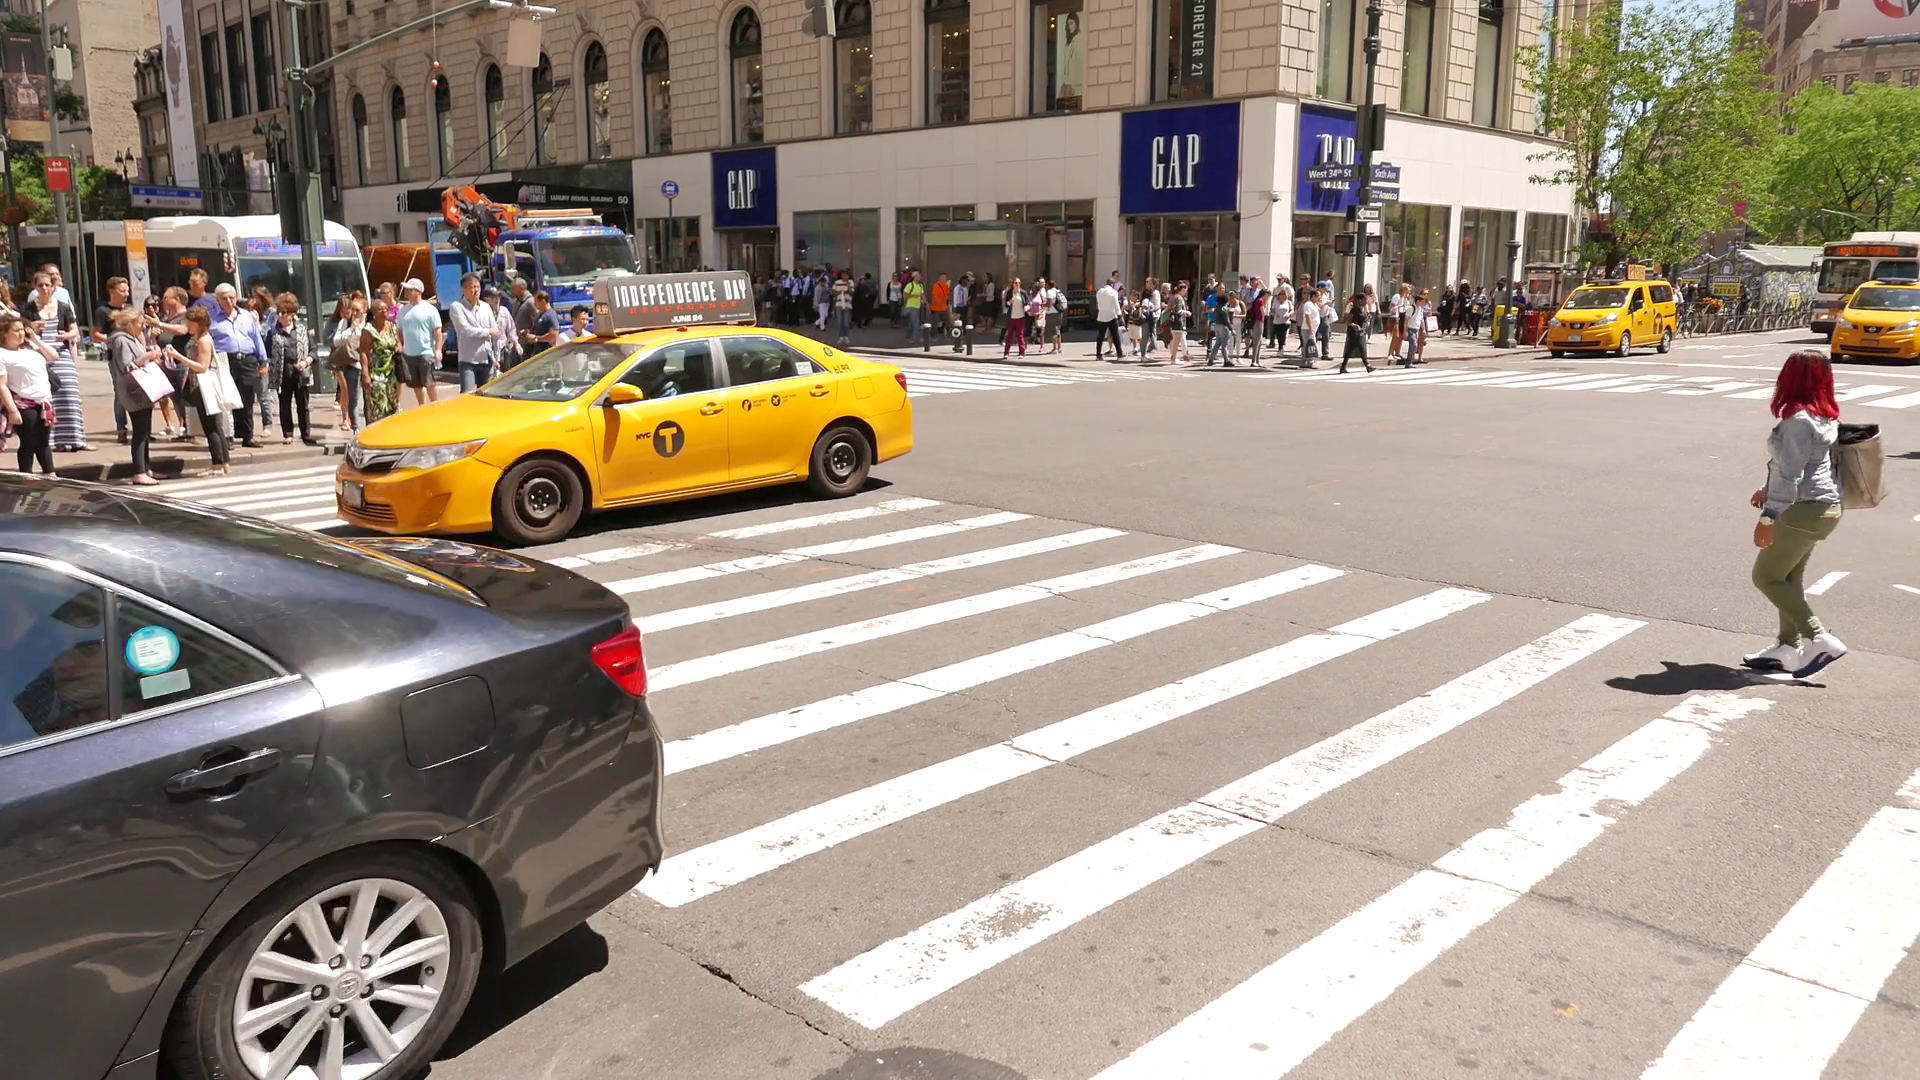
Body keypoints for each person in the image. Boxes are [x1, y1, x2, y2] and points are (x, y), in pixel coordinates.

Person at [1744, 349, 1847, 679]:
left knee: (1766, 577)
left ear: (1791, 378)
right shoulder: (1826, 415)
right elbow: (1804, 465)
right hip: (1824, 507)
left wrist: (1768, 517)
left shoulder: (1798, 421)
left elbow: (1791, 474)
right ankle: (1787, 647)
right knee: (1788, 578)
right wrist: (1766, 486)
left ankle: (1819, 638)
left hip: (1803, 508)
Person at [24, 271, 87, 452]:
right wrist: (32, 327)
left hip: (62, 354)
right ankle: (49, 441)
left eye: (47, 285)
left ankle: (74, 438)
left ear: (53, 286)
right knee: (47, 397)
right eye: (40, 285)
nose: (44, 288)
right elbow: (20, 330)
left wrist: (67, 335)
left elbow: (74, 329)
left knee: (69, 395)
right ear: (35, 287)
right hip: (38, 356)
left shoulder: (63, 307)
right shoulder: (28, 309)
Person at [105, 307, 169, 483]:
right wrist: (149, 355)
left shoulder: (131, 338)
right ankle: (139, 471)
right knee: (140, 432)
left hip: (142, 390)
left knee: (145, 431)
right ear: (130, 323)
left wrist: (149, 350)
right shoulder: (120, 340)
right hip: (133, 390)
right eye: (140, 324)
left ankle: (146, 468)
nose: (142, 327)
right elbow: (127, 366)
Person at [0, 311, 61, 473]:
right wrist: (12, 410)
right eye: (16, 331)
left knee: (44, 442)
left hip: (44, 401)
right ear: (4, 334)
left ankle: (50, 474)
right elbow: (2, 385)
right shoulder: (2, 355)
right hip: (24, 403)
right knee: (29, 442)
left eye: (22, 329)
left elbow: (53, 356)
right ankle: (26, 476)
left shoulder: (30, 348)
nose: (21, 333)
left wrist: (34, 338)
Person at [173, 305, 231, 476]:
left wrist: (179, 357)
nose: (187, 325)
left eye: (190, 322)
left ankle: (218, 464)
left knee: (211, 426)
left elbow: (202, 367)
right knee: (215, 426)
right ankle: (224, 462)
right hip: (199, 386)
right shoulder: (199, 337)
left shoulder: (203, 340)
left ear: (198, 323)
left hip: (202, 386)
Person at [209, 283, 269, 447]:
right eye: (224, 298)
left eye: (232, 297)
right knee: (226, 399)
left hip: (248, 359)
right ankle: (228, 437)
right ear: (218, 300)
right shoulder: (212, 318)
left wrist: (263, 361)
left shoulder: (246, 315)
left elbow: (256, 337)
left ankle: (247, 436)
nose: (229, 301)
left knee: (247, 399)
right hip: (224, 359)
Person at [265, 292, 316, 445]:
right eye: (279, 312)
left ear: (292, 314)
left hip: (301, 373)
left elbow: (313, 350)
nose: (280, 316)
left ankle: (305, 433)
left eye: (284, 313)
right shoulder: (273, 333)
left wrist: (305, 362)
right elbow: (267, 353)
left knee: (303, 405)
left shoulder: (302, 330)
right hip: (283, 373)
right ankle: (288, 434)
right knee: (285, 404)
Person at [93, 276, 133, 444]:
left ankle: (140, 427)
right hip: (115, 358)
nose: (126, 294)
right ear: (111, 291)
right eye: (122, 290)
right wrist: (112, 340)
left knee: (137, 392)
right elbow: (95, 334)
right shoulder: (103, 311)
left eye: (127, 290)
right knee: (120, 393)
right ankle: (121, 429)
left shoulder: (130, 309)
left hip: (134, 355)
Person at [449, 274, 503, 392]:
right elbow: (465, 330)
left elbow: (496, 333)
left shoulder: (485, 307)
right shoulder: (457, 307)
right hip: (468, 359)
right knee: (466, 395)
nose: (476, 290)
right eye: (472, 287)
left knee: (488, 394)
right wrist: (488, 332)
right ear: (464, 289)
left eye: (478, 287)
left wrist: (497, 357)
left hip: (487, 358)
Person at [394, 278, 443, 408]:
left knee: (429, 382)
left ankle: (435, 405)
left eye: (408, 289)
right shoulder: (403, 311)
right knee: (416, 384)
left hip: (426, 352)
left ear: (417, 291)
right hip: (409, 353)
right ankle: (422, 406)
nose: (405, 292)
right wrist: (400, 345)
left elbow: (437, 331)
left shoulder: (430, 310)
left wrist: (438, 350)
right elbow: (399, 330)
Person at [330, 295, 370, 431]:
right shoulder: (345, 323)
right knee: (353, 398)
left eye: (357, 310)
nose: (354, 313)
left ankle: (370, 427)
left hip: (369, 365)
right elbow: (336, 341)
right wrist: (351, 329)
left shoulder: (369, 323)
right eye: (352, 309)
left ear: (364, 311)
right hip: (352, 364)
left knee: (369, 399)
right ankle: (355, 428)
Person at [360, 298, 401, 424]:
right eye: (380, 309)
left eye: (385, 309)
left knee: (392, 406)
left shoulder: (392, 326)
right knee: (376, 407)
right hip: (376, 375)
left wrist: (399, 347)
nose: (384, 311)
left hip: (391, 375)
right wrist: (365, 374)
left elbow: (398, 342)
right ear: (374, 313)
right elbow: (363, 352)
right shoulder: (368, 330)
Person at [1338, 291, 1374, 375]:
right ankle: (1367, 365)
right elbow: (1347, 320)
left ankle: (1343, 366)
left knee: (1353, 350)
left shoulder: (1363, 308)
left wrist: (1368, 318)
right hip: (1353, 332)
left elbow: (1363, 318)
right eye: (1365, 299)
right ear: (1360, 300)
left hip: (1361, 332)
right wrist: (1353, 325)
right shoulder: (1353, 308)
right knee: (1360, 349)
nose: (1366, 301)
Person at [519, 289, 560, 360]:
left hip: (546, 354)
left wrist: (537, 339)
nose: (534, 304)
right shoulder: (539, 315)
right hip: (536, 353)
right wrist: (527, 333)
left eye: (536, 302)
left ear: (543, 302)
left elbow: (554, 335)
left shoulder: (551, 315)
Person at [1094, 272, 1123, 361]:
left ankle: (1098, 354)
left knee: (1100, 336)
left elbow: (1098, 303)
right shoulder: (1113, 292)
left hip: (1102, 315)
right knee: (1115, 335)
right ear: (1112, 284)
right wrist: (1120, 315)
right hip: (1111, 315)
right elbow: (1116, 304)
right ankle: (1119, 353)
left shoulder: (1099, 291)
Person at [1002, 277, 1029, 358]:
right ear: (1013, 284)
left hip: (1020, 316)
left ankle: (1022, 352)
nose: (1018, 285)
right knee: (1009, 335)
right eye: (1016, 283)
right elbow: (1006, 304)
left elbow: (1028, 303)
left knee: (1020, 335)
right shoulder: (1010, 293)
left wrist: (1026, 308)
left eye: (1019, 283)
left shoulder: (1023, 293)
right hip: (1012, 317)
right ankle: (1006, 353)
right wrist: (1010, 302)